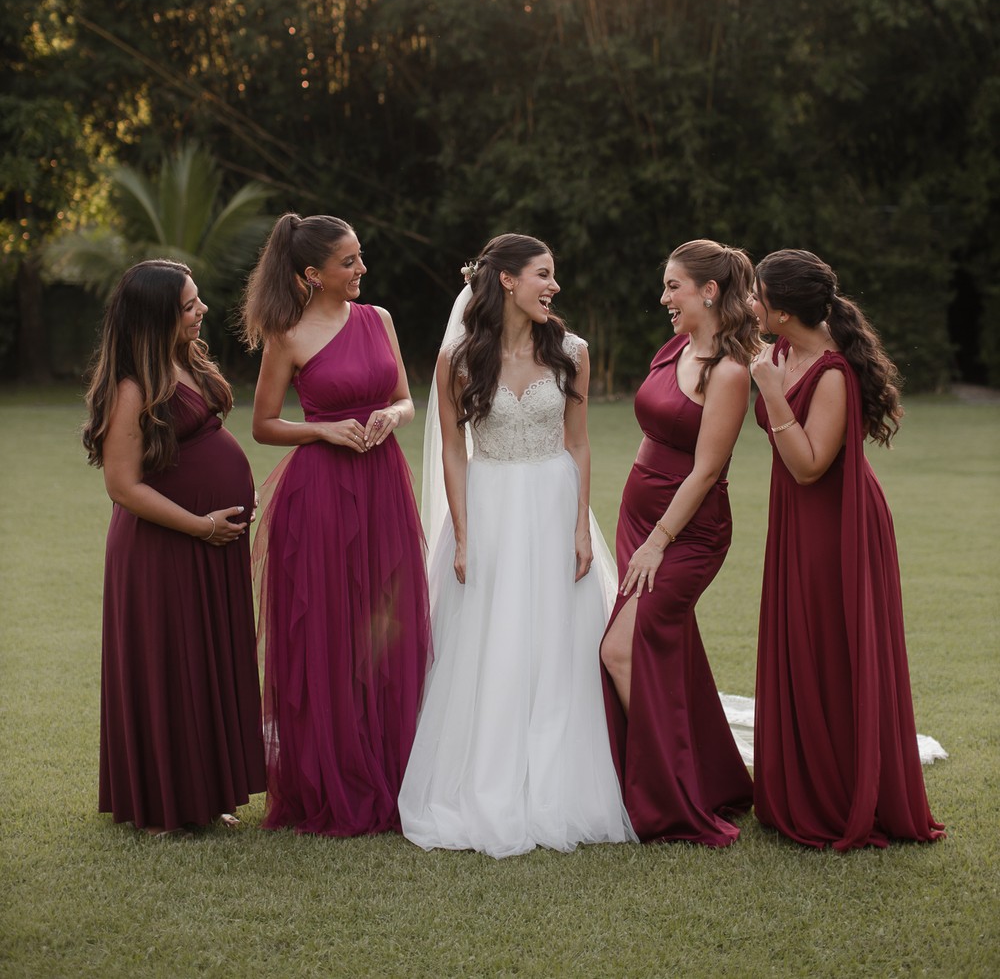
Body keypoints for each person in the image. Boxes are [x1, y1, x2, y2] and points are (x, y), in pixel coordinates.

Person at [398, 233, 633, 857]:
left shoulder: (571, 351)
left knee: (558, 644)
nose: (553, 286)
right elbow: (452, 447)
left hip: (555, 503)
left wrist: (582, 525)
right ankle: (490, 779)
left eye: (553, 276)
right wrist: (465, 532)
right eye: (543, 274)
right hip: (490, 505)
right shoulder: (458, 359)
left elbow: (579, 442)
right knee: (491, 643)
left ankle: (559, 782)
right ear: (507, 279)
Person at [240, 212, 430, 836]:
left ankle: (395, 768)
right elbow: (264, 424)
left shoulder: (379, 320)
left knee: (387, 626)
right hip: (320, 494)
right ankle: (330, 773)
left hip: (382, 487)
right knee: (328, 632)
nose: (361, 270)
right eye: (349, 262)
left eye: (360, 257)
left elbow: (406, 396)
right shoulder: (286, 334)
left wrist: (392, 418)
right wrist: (322, 427)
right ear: (311, 274)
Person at [749, 249, 944, 850]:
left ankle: (839, 795)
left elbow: (809, 467)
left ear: (782, 311)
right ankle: (800, 786)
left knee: (833, 649)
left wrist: (770, 391)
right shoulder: (782, 348)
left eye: (757, 295)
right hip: (797, 524)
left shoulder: (831, 372)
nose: (750, 303)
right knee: (805, 645)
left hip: (837, 526)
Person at [84, 259, 266, 836]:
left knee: (208, 661)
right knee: (172, 665)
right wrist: (197, 525)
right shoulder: (130, 387)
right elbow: (122, 485)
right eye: (189, 305)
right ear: (158, 315)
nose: (202, 310)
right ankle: (163, 804)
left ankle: (208, 792)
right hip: (163, 549)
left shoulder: (184, 361)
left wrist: (216, 526)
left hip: (211, 541)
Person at [600, 239, 757, 845]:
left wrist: (658, 542)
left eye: (674, 287)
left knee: (619, 651)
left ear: (708, 291)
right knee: (671, 650)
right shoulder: (673, 349)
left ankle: (676, 798)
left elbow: (706, 470)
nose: (664, 297)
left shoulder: (731, 371)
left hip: (685, 531)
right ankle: (716, 778)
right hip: (638, 519)